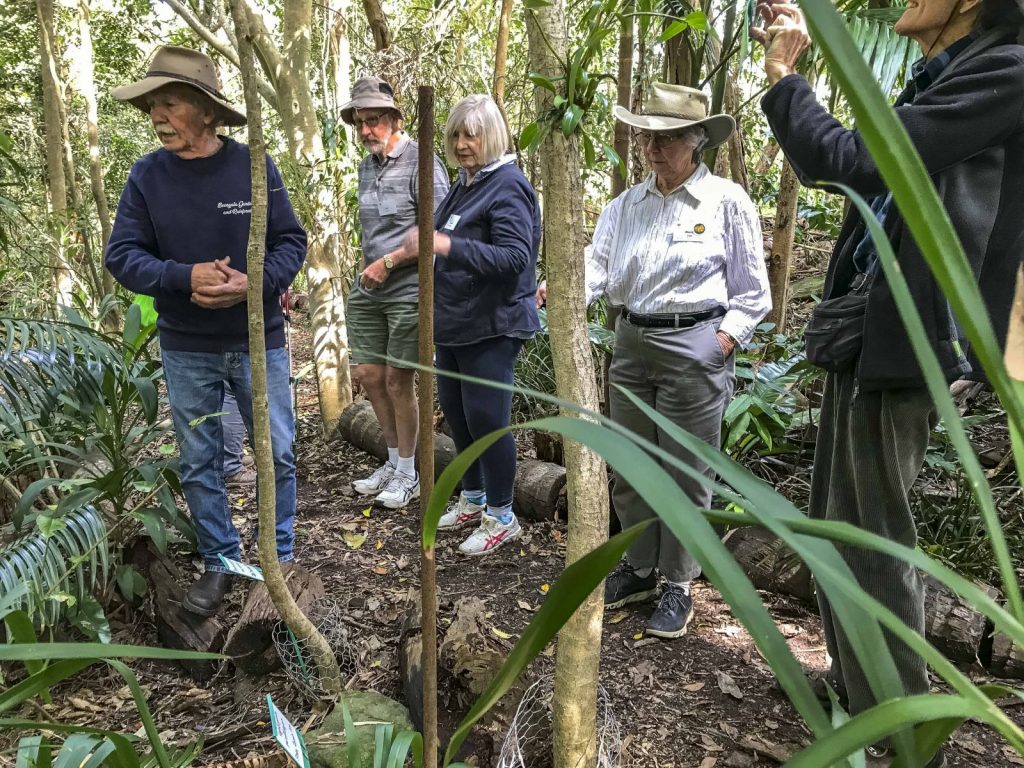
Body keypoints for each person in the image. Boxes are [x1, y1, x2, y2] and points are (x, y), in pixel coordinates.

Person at [755, 0, 1023, 762]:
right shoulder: (945, 75)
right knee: (834, 518)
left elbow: (865, 159)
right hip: (867, 326)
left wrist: (785, 77)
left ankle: (904, 739)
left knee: (875, 537)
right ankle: (855, 687)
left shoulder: (1007, 71)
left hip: (912, 338)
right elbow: (842, 166)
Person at [105, 46, 306, 616]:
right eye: (152, 108)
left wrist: (256, 282)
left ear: (205, 111)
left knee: (279, 452)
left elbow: (291, 240)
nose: (157, 117)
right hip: (186, 345)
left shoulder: (252, 165)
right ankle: (221, 561)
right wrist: (180, 276)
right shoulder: (146, 176)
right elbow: (121, 255)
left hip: (255, 337)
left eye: (169, 104)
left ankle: (279, 559)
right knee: (200, 460)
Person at [586, 83, 771, 639]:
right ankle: (640, 566)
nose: (652, 147)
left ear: (696, 142)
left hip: (695, 343)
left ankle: (678, 583)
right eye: (648, 136)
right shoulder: (626, 206)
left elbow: (753, 291)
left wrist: (723, 341)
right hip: (632, 341)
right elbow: (597, 268)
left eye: (666, 138)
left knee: (686, 469)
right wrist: (563, 289)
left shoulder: (726, 202)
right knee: (632, 461)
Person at [405, 94, 541, 556]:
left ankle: (502, 514)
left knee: (488, 421)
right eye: (456, 135)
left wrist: (446, 246)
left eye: (472, 135)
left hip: (492, 325)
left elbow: (515, 258)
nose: (463, 144)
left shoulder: (507, 185)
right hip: (455, 324)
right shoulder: (466, 184)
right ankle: (474, 496)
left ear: (492, 136)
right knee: (459, 415)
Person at [342, 76, 450, 510]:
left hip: (410, 286)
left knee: (397, 378)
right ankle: (391, 461)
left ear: (394, 119)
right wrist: (374, 267)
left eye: (374, 120)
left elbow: (438, 231)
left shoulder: (424, 162)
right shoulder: (368, 165)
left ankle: (409, 472)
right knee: (368, 375)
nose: (366, 130)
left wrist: (389, 263)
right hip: (370, 284)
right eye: (360, 122)